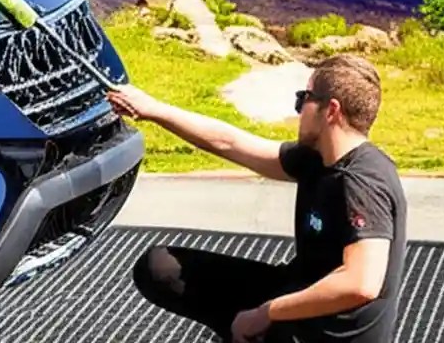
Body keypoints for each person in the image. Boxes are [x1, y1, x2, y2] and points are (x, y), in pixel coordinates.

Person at [106, 53, 407, 343]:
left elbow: (361, 283)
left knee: (255, 316)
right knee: (161, 267)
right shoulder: (318, 159)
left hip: (325, 334)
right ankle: (245, 332)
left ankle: (253, 331)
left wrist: (266, 313)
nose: (298, 109)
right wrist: (151, 109)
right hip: (299, 297)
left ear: (331, 111)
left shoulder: (362, 181)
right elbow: (229, 142)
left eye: (304, 99)